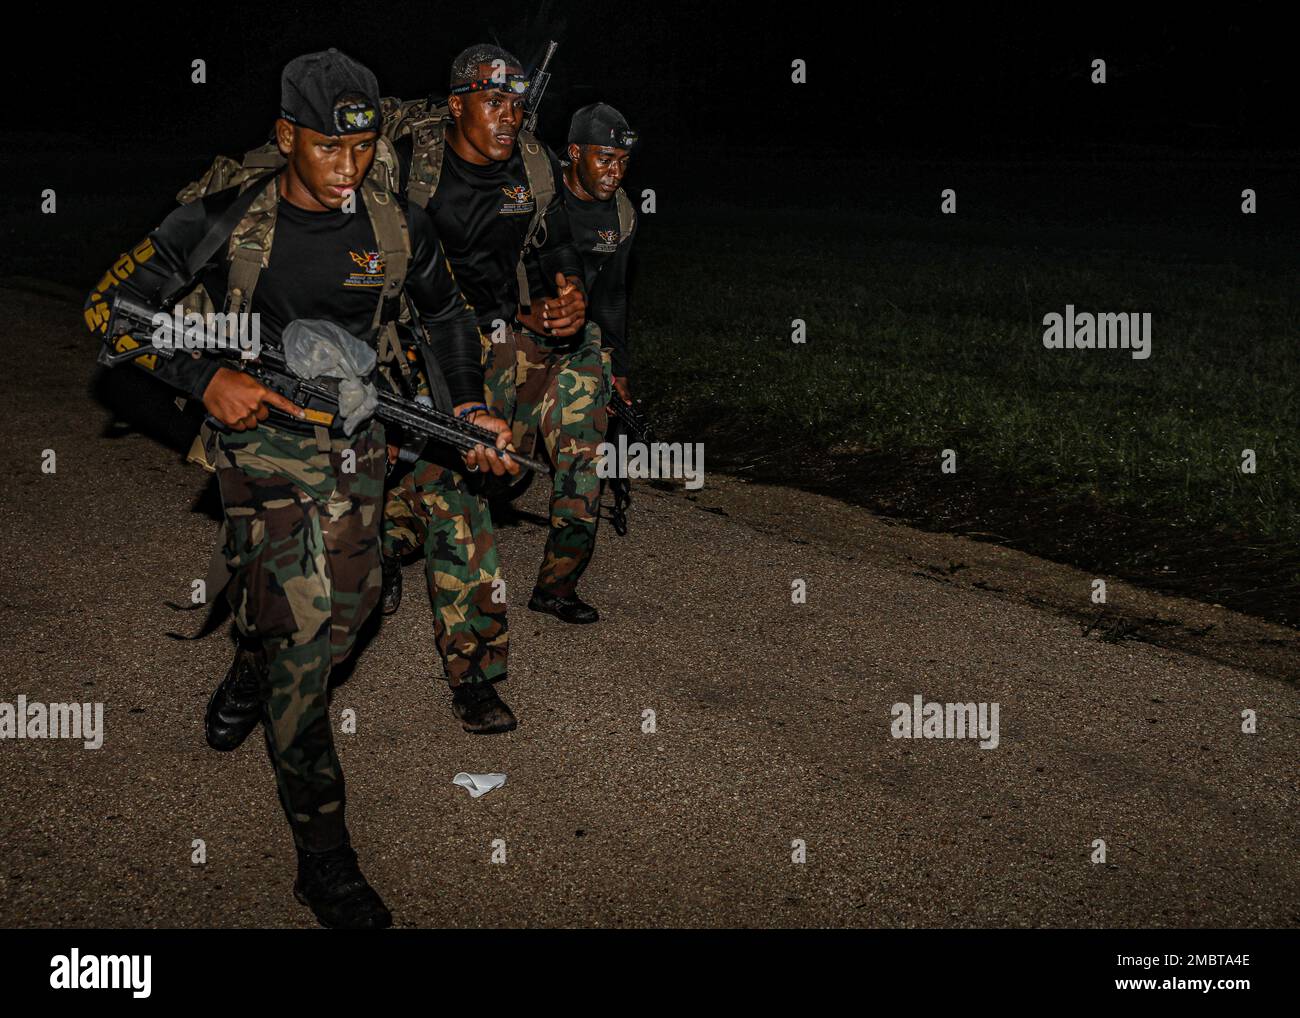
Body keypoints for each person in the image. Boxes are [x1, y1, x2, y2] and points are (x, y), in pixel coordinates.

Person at [83, 49, 516, 928]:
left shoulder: (394, 225)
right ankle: (326, 861)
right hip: (261, 445)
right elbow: (107, 310)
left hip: (358, 441)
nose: (344, 171)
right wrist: (202, 379)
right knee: (308, 645)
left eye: (360, 152)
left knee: (354, 612)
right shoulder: (222, 219)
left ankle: (249, 653)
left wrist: (466, 402)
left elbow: (443, 316)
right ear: (286, 137)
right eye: (325, 150)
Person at [381, 44, 612, 630]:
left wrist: (570, 291)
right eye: (493, 101)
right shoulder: (412, 168)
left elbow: (557, 242)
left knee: (560, 431)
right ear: (457, 106)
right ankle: (378, 553)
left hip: (503, 340)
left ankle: (557, 585)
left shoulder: (532, 164)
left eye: (516, 102)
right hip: (425, 341)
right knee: (438, 476)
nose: (509, 115)